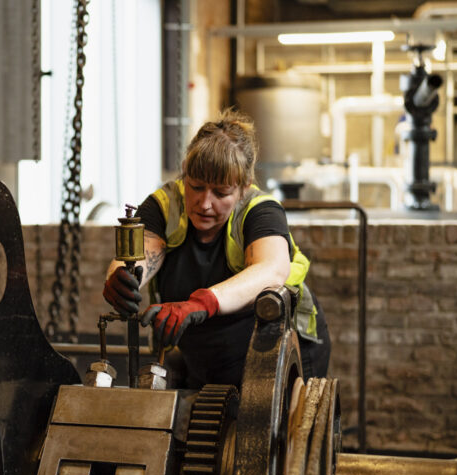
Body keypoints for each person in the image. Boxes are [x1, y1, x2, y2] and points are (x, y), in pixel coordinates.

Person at [102, 109, 330, 388]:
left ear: (243, 188)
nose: (205, 203)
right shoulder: (164, 205)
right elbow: (142, 253)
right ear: (185, 172)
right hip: (208, 349)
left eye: (221, 193)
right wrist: (122, 279)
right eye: (196, 187)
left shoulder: (261, 212)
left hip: (279, 346)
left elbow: (271, 269)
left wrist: (201, 303)